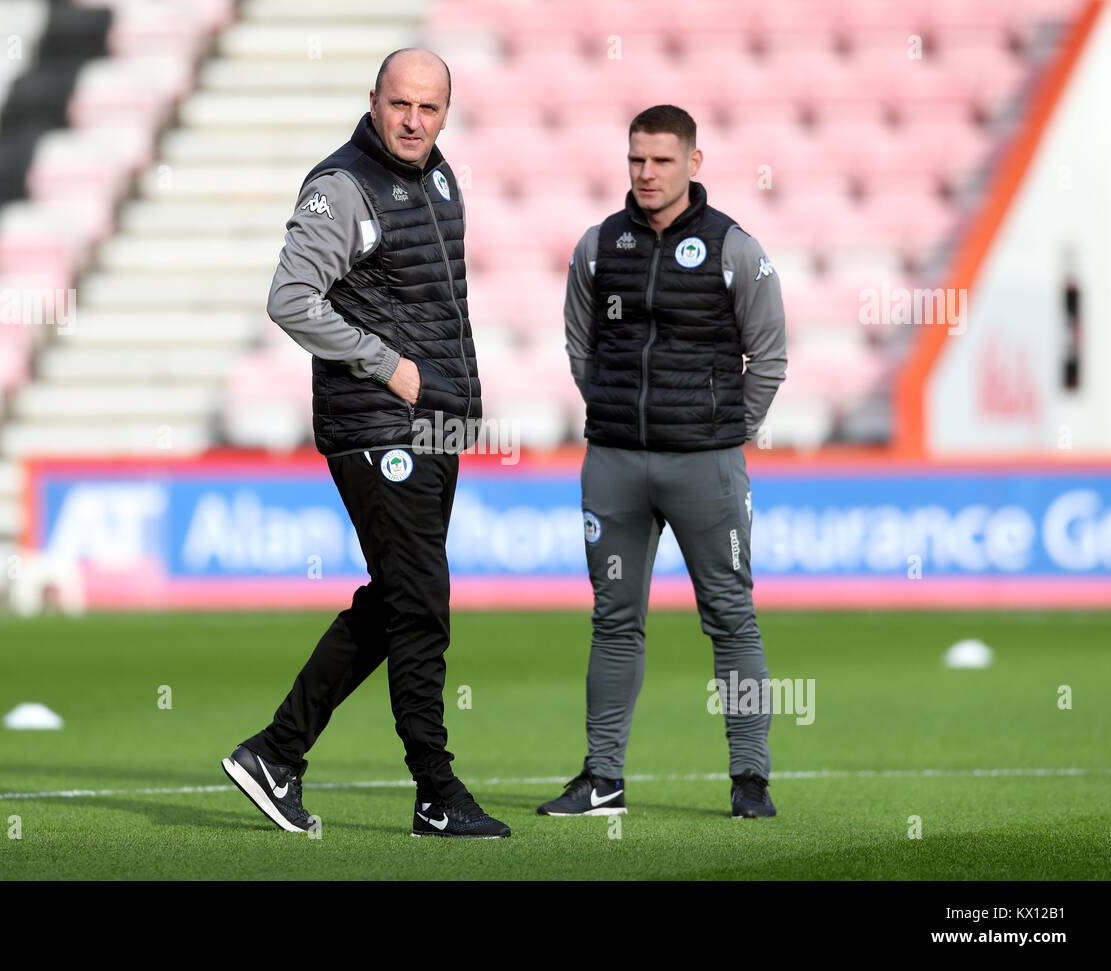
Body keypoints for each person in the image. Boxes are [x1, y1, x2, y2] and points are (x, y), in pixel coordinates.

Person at [221, 48, 510, 839]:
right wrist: (391, 368)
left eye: (429, 107)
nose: (414, 120)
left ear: (446, 113)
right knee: (420, 607)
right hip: (378, 424)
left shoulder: (441, 177)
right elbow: (290, 297)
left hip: (435, 427)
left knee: (395, 601)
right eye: (400, 104)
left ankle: (276, 754)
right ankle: (435, 791)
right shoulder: (341, 187)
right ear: (374, 100)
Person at [539, 104, 787, 819]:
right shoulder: (597, 245)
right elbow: (580, 345)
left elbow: (767, 356)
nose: (646, 174)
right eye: (636, 160)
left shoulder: (733, 247)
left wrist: (725, 432)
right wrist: (617, 414)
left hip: (704, 467)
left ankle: (749, 778)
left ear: (693, 163)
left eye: (661, 161)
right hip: (614, 465)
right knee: (614, 619)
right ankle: (602, 778)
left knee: (731, 616)